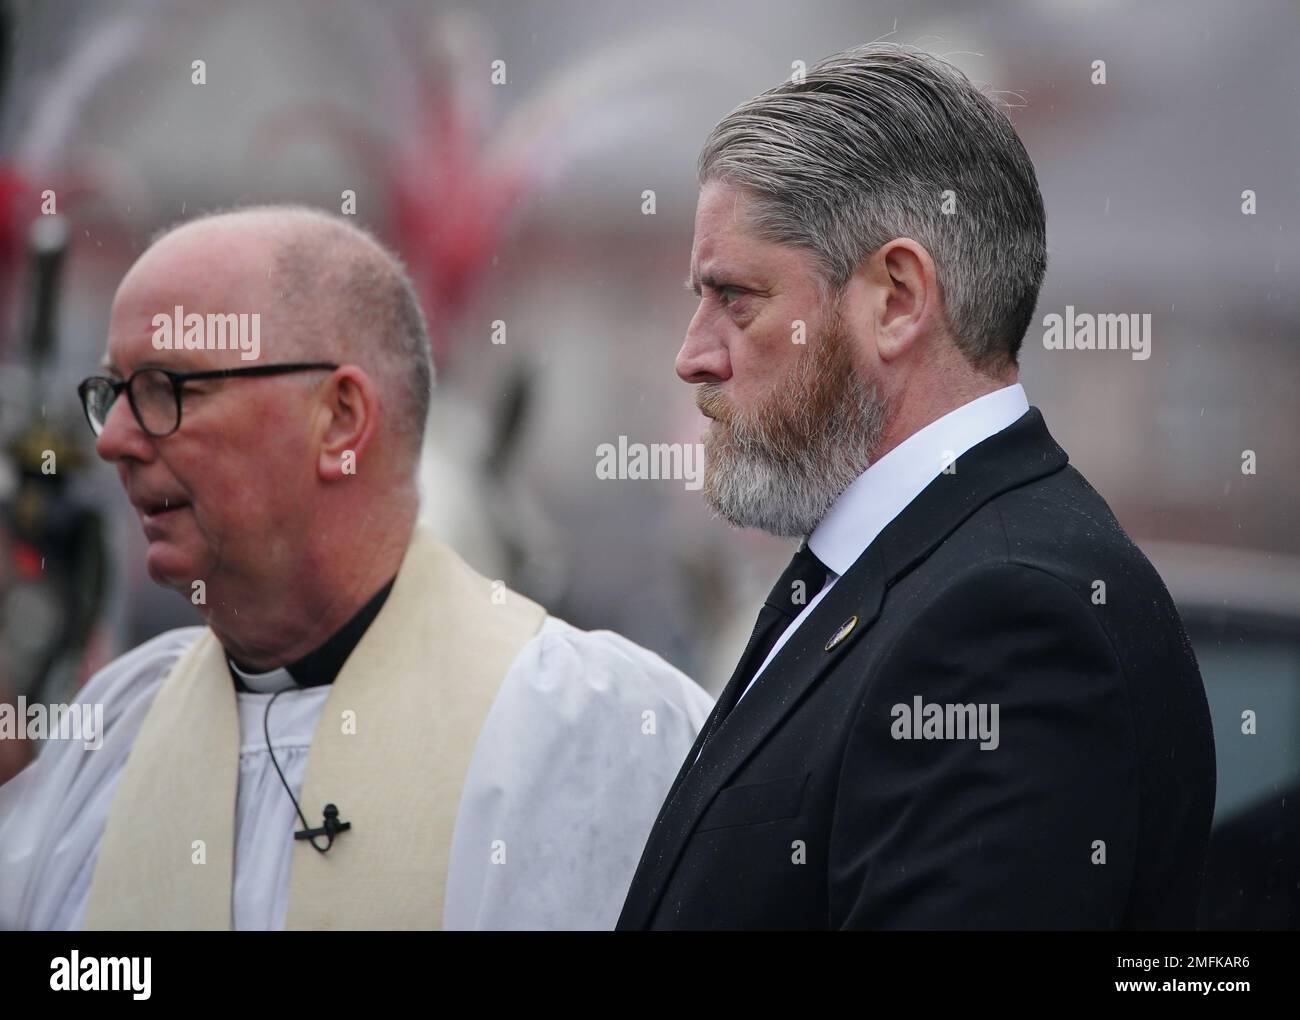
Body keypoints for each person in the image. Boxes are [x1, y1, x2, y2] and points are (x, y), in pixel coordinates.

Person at [618, 43, 1216, 930]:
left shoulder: (1008, 623)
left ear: (896, 299)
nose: (692, 355)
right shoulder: (911, 571)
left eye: (735, 298)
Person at [0, 205, 711, 930]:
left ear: (340, 418)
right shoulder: (111, 734)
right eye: (111, 395)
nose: (115, 439)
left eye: (165, 389)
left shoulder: (596, 730)